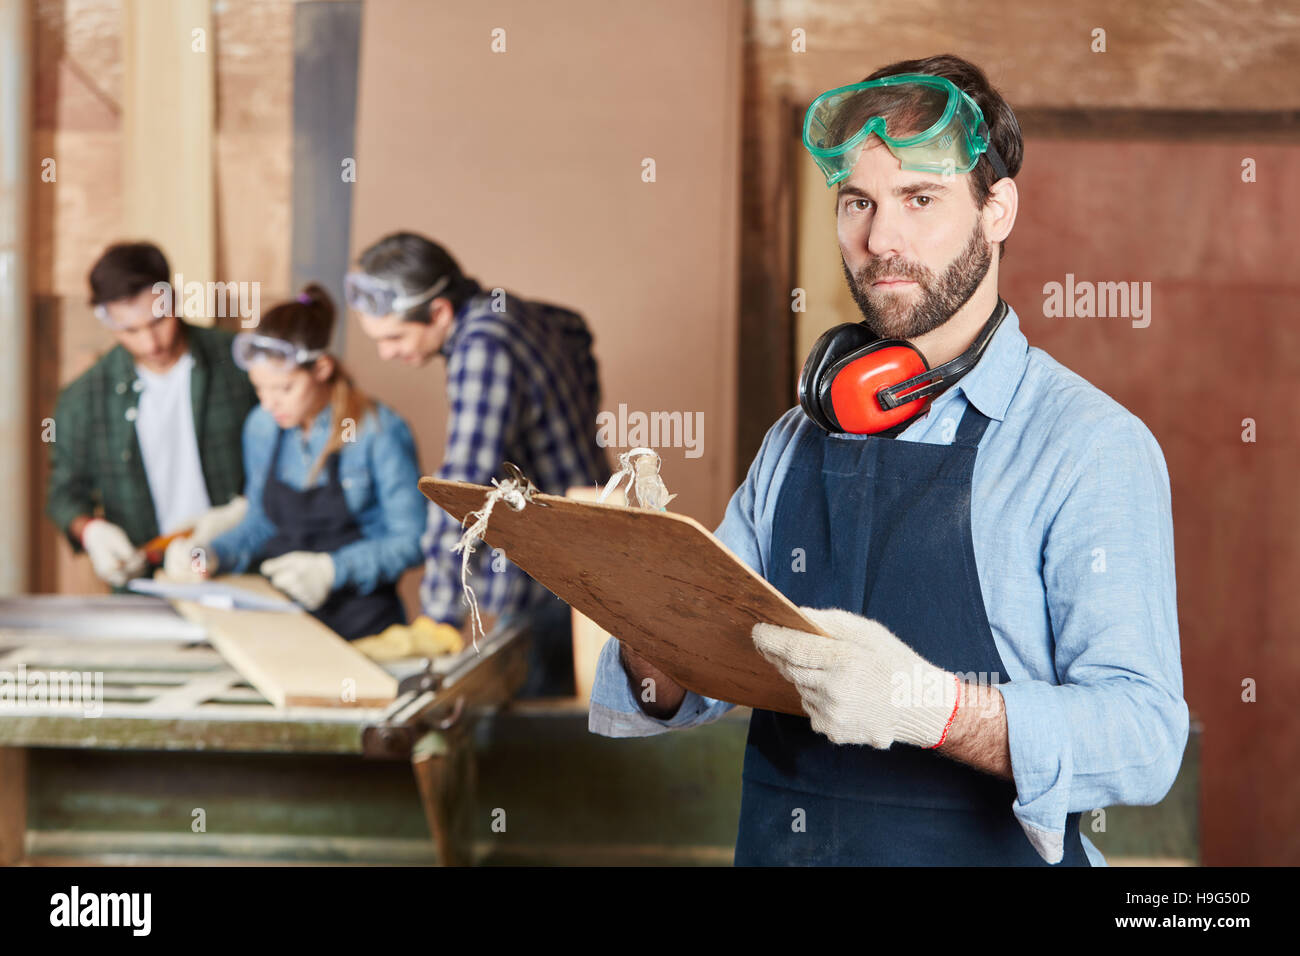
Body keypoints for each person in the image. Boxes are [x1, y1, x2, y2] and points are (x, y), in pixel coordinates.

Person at [589, 54, 1189, 866]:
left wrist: (930, 707)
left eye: (920, 199)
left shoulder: (1086, 446)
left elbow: (1145, 738)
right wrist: (639, 607)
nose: (879, 240)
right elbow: (685, 684)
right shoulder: (795, 439)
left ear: (997, 209)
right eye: (858, 203)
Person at [348, 232, 611, 694]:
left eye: (394, 336)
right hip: (590, 565)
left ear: (439, 312)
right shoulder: (512, 311)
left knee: (528, 745)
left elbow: (463, 489)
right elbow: (576, 326)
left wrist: (438, 613)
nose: (386, 353)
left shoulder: (483, 346)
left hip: (552, 582)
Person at [165, 285, 426, 641]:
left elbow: (412, 539)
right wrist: (210, 553)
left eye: (284, 388)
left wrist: (333, 570)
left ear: (321, 368)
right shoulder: (261, 425)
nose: (270, 403)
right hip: (284, 621)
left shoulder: (377, 431)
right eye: (260, 388)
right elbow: (261, 521)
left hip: (364, 628)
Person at [46, 241, 256, 587]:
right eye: (130, 330)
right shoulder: (84, 399)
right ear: (107, 322)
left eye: (158, 321)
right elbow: (64, 493)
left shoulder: (235, 362)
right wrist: (92, 531)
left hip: (238, 566)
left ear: (173, 299)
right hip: (146, 581)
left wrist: (245, 513)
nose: (150, 343)